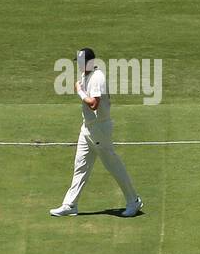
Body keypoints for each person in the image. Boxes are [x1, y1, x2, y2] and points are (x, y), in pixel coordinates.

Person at [50, 48, 142, 217]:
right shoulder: (86, 75)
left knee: (113, 165)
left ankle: (133, 201)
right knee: (80, 167)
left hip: (99, 129)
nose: (78, 65)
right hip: (87, 128)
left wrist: (79, 91)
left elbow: (94, 104)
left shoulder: (97, 77)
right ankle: (70, 205)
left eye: (81, 62)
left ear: (89, 63)